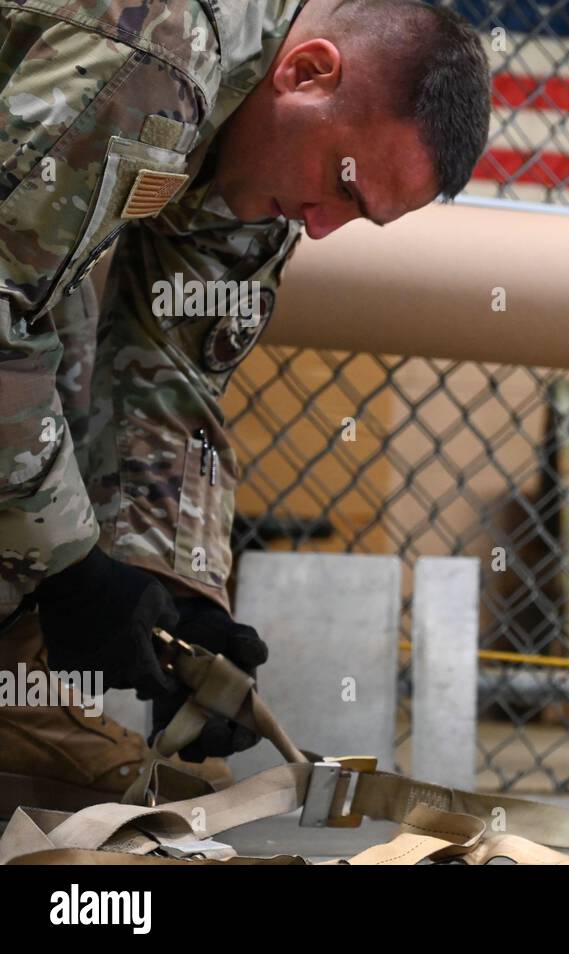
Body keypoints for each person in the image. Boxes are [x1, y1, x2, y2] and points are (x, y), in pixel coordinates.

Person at [0, 0, 491, 813]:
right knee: (41, 327)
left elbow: (172, 356)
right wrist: (70, 567)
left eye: (358, 215)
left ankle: (15, 699)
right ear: (307, 73)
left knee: (66, 338)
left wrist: (179, 592)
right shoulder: (155, 60)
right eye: (342, 184)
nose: (323, 230)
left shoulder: (266, 132)